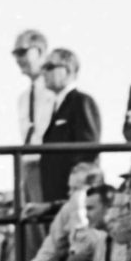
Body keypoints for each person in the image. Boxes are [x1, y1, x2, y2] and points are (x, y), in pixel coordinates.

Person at [39, 48, 102, 203]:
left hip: (73, 197)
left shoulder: (81, 101)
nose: (43, 73)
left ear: (67, 71)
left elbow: (88, 149)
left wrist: (76, 190)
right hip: (56, 196)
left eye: (49, 67)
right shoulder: (56, 106)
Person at [12, 29, 55, 204]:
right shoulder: (23, 98)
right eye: (16, 54)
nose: (18, 59)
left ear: (40, 51)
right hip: (27, 165)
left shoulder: (54, 92)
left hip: (48, 165)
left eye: (23, 52)